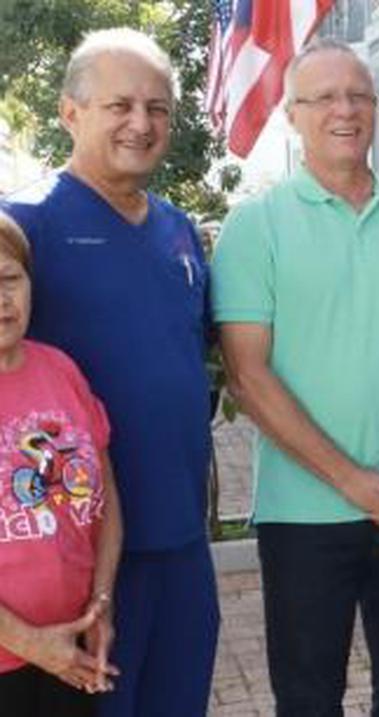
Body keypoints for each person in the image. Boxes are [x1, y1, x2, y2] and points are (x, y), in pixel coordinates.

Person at [212, 39, 379, 716]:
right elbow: (247, 373)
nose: (344, 109)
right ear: (293, 115)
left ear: (377, 110)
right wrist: (350, 478)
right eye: (323, 97)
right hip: (304, 514)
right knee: (307, 698)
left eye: (358, 95)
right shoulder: (255, 226)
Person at [0, 28, 217, 717]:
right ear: (70, 112)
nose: (140, 123)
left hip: (182, 539)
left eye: (157, 108)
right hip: (85, 562)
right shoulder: (24, 226)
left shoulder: (180, 228)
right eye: (119, 105)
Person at [0, 212, 121, 716]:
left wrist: (100, 605)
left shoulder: (61, 369)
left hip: (69, 652)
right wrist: (29, 643)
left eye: (10, 278)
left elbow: (106, 500)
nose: (2, 298)